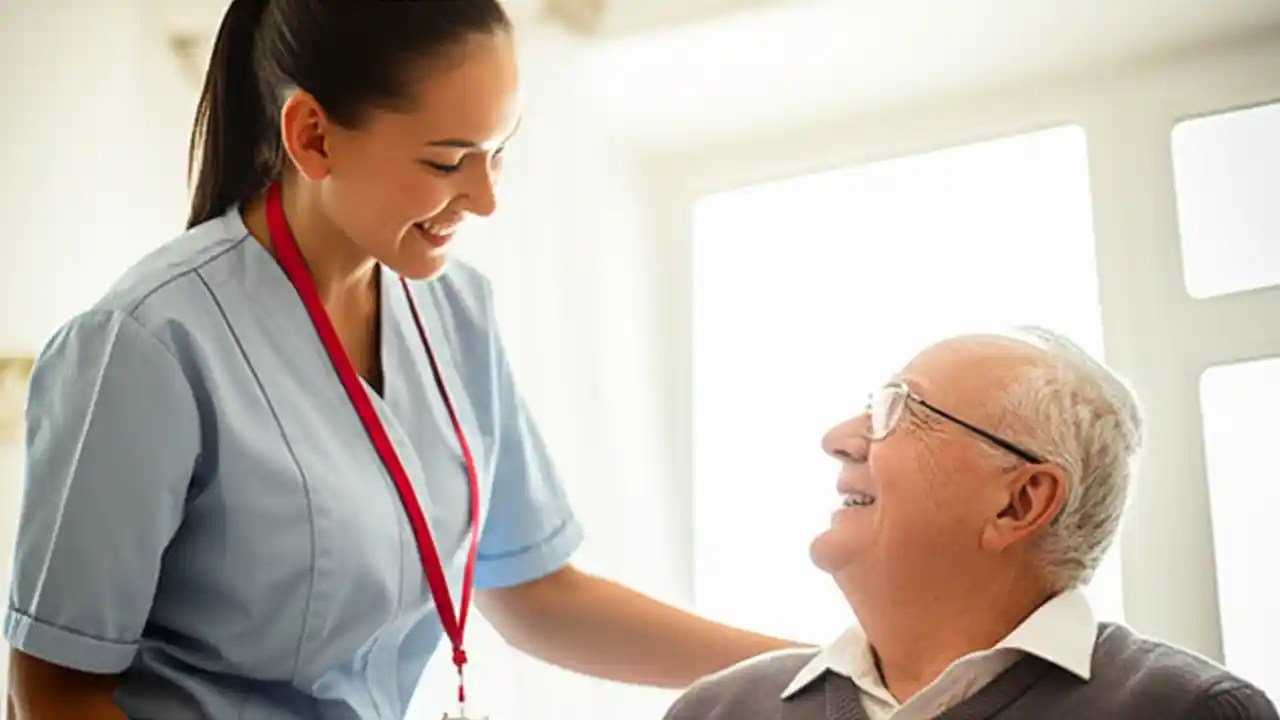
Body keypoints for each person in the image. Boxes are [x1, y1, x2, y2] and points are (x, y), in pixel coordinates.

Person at [3, 2, 798, 718]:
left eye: (498, 151)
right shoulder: (145, 345)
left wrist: (812, 671)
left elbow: (537, 594)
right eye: (448, 162)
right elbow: (52, 694)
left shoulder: (458, 313)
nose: (486, 198)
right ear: (313, 137)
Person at [663, 327, 1279, 720]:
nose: (839, 438)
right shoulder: (715, 712)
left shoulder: (1188, 712)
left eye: (896, 411)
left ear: (1020, 503)